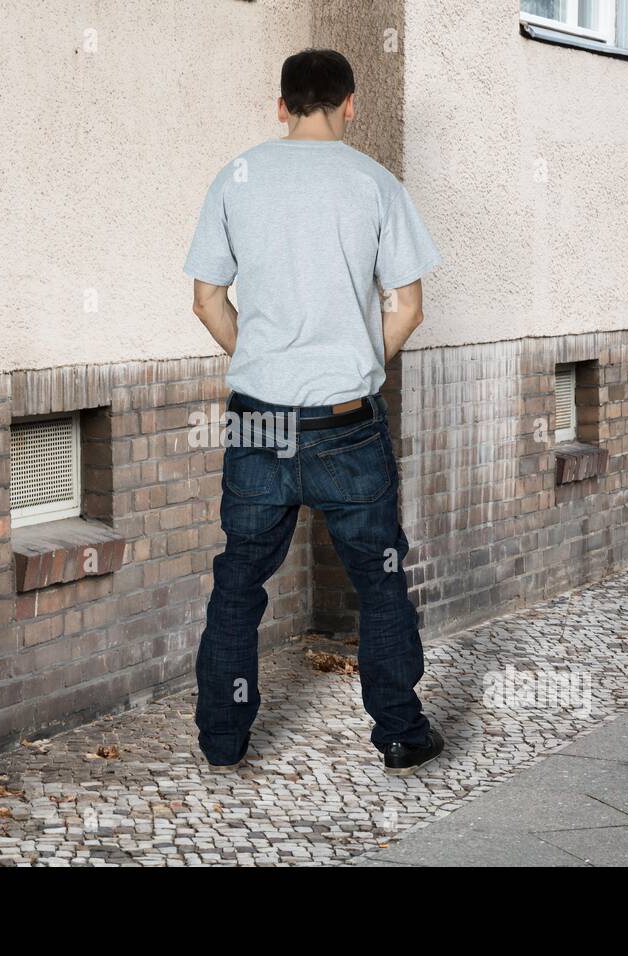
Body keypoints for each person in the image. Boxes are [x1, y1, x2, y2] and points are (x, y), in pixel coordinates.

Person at [184, 48, 443, 776]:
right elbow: (410, 307)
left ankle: (222, 741)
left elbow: (206, 299)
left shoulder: (235, 179)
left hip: (258, 415)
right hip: (346, 421)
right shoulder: (377, 183)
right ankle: (399, 733)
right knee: (381, 578)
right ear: (350, 104)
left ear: (281, 106)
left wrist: (263, 362)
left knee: (239, 578)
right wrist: (356, 359)